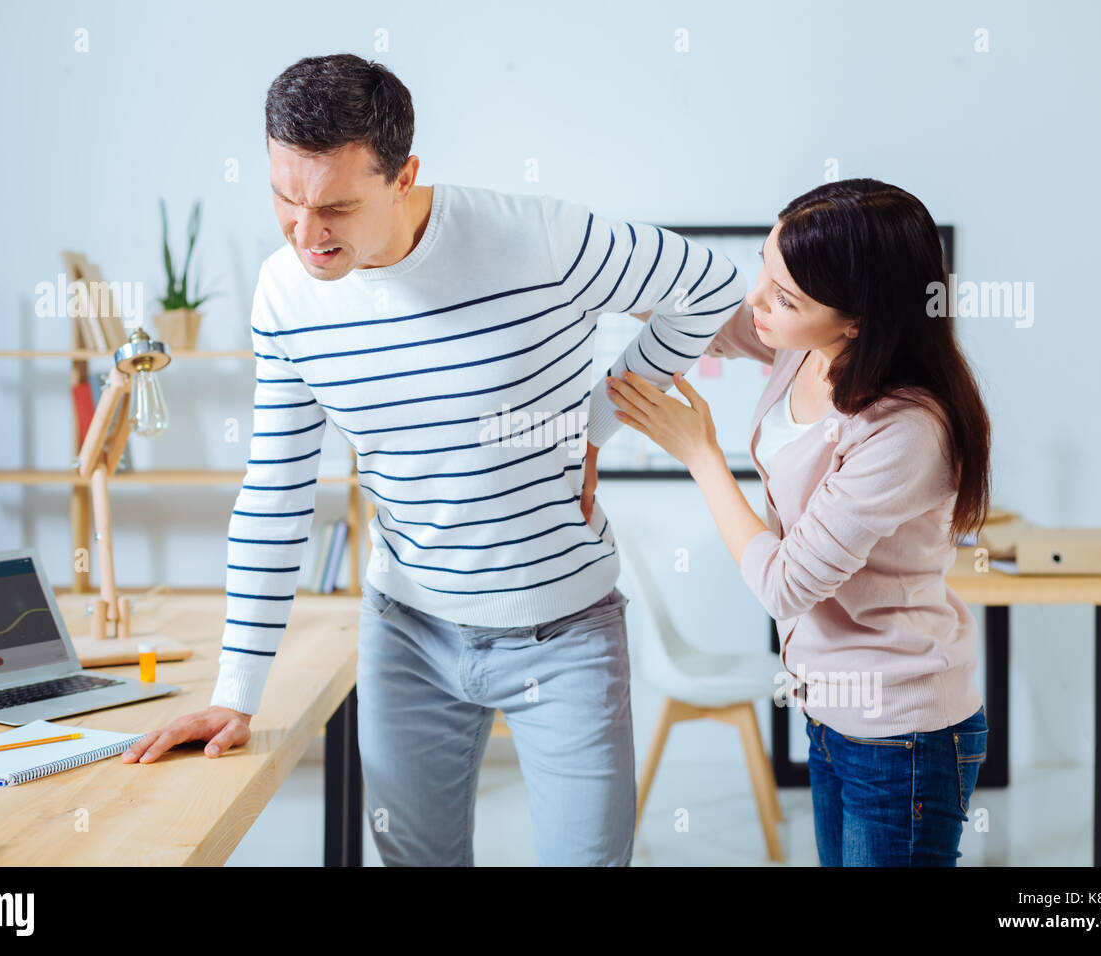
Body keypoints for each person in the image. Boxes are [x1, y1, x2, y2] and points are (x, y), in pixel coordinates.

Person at [120, 53, 747, 866]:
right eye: (284, 198)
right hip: (407, 631)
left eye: (337, 207)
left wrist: (594, 424)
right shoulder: (285, 295)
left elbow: (708, 283)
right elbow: (276, 489)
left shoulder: (541, 239)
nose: (307, 234)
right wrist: (236, 694)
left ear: (404, 174)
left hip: (564, 635)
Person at [608, 179, 992, 866]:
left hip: (902, 731)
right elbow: (700, 314)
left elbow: (784, 587)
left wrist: (701, 455)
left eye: (785, 297)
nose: (757, 299)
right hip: (829, 712)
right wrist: (574, 270)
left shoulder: (906, 428)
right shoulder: (802, 348)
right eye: (765, 266)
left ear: (857, 320)